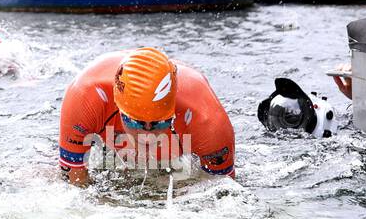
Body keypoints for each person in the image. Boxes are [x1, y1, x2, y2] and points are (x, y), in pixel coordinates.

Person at [58, 48, 235, 185]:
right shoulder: (86, 97)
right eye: (136, 123)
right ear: (117, 107)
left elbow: (223, 194)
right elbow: (73, 183)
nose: (147, 136)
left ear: (172, 112)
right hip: (107, 141)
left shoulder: (207, 121)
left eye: (159, 123)